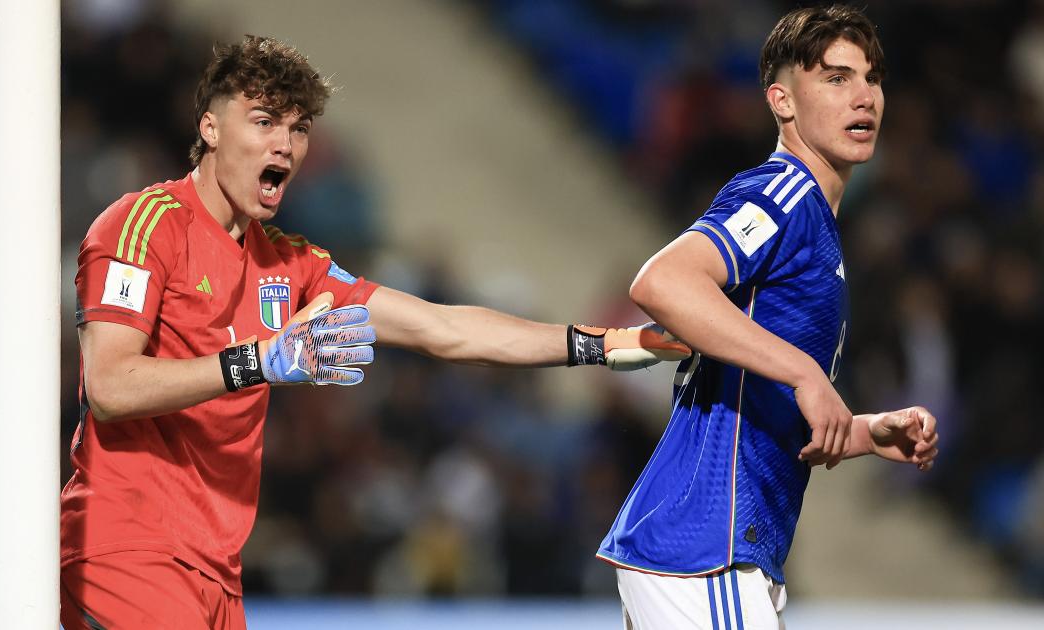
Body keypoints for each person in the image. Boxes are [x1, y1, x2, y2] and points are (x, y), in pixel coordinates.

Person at [59, 36, 691, 629]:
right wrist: (255, 362)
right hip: (126, 544)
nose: (284, 145)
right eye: (263, 122)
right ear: (209, 128)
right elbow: (111, 385)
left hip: (216, 567)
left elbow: (444, 328)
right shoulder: (144, 226)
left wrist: (605, 344)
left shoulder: (292, 263)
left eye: (298, 128)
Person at [597, 6, 941, 629]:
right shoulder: (780, 193)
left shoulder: (819, 228)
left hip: (715, 548)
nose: (864, 95)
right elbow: (664, 282)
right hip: (706, 544)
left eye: (873, 78)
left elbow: (754, 400)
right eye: (836, 79)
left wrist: (862, 432)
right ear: (782, 101)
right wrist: (809, 374)